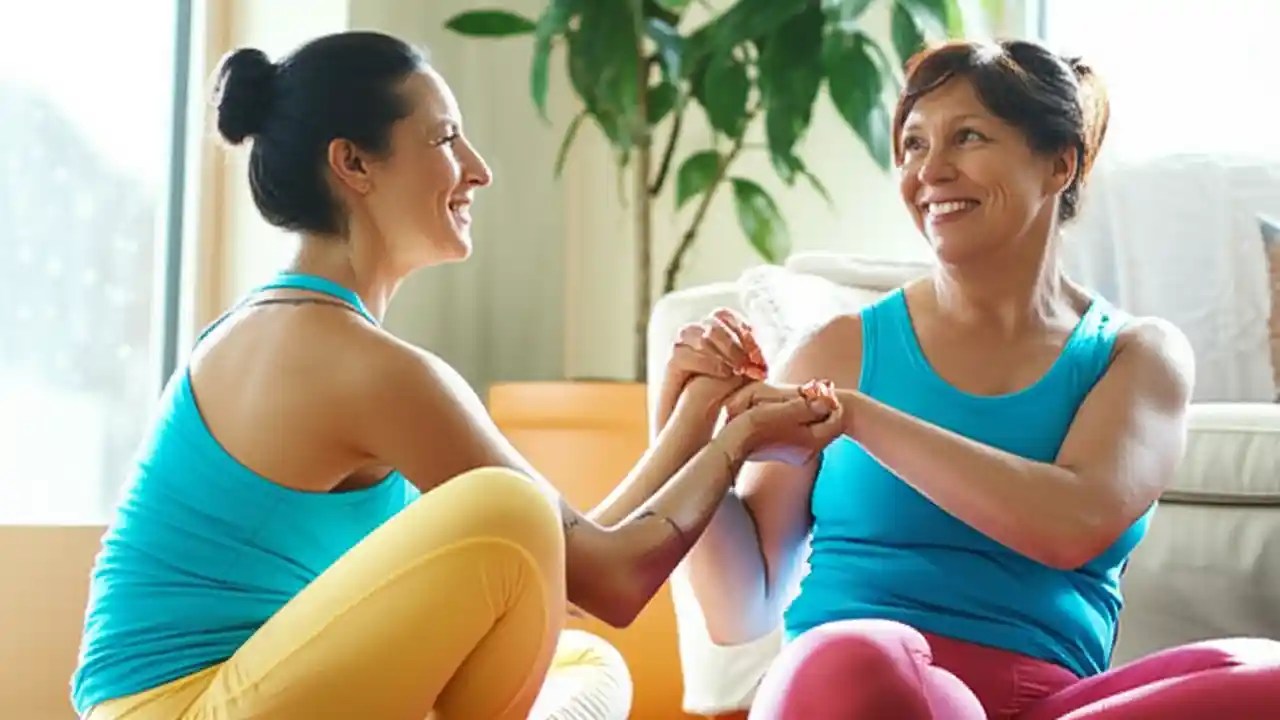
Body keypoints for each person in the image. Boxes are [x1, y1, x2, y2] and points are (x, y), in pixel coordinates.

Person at [69, 31, 844, 720]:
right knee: (509, 514)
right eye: (445, 138)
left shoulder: (302, 331)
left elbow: (563, 569)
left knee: (581, 662)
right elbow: (606, 580)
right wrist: (735, 442)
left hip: (243, 689)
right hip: (187, 707)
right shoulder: (357, 364)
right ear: (352, 163)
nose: (479, 170)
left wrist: (693, 418)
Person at [673, 39, 1280, 719]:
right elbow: (740, 609)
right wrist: (688, 421)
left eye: (967, 137)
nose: (930, 171)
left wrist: (863, 418)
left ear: (1060, 163)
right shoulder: (837, 350)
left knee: (1266, 675)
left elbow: (1072, 524)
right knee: (862, 657)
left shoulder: (1135, 357)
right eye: (913, 145)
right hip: (855, 690)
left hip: (1054, 704)